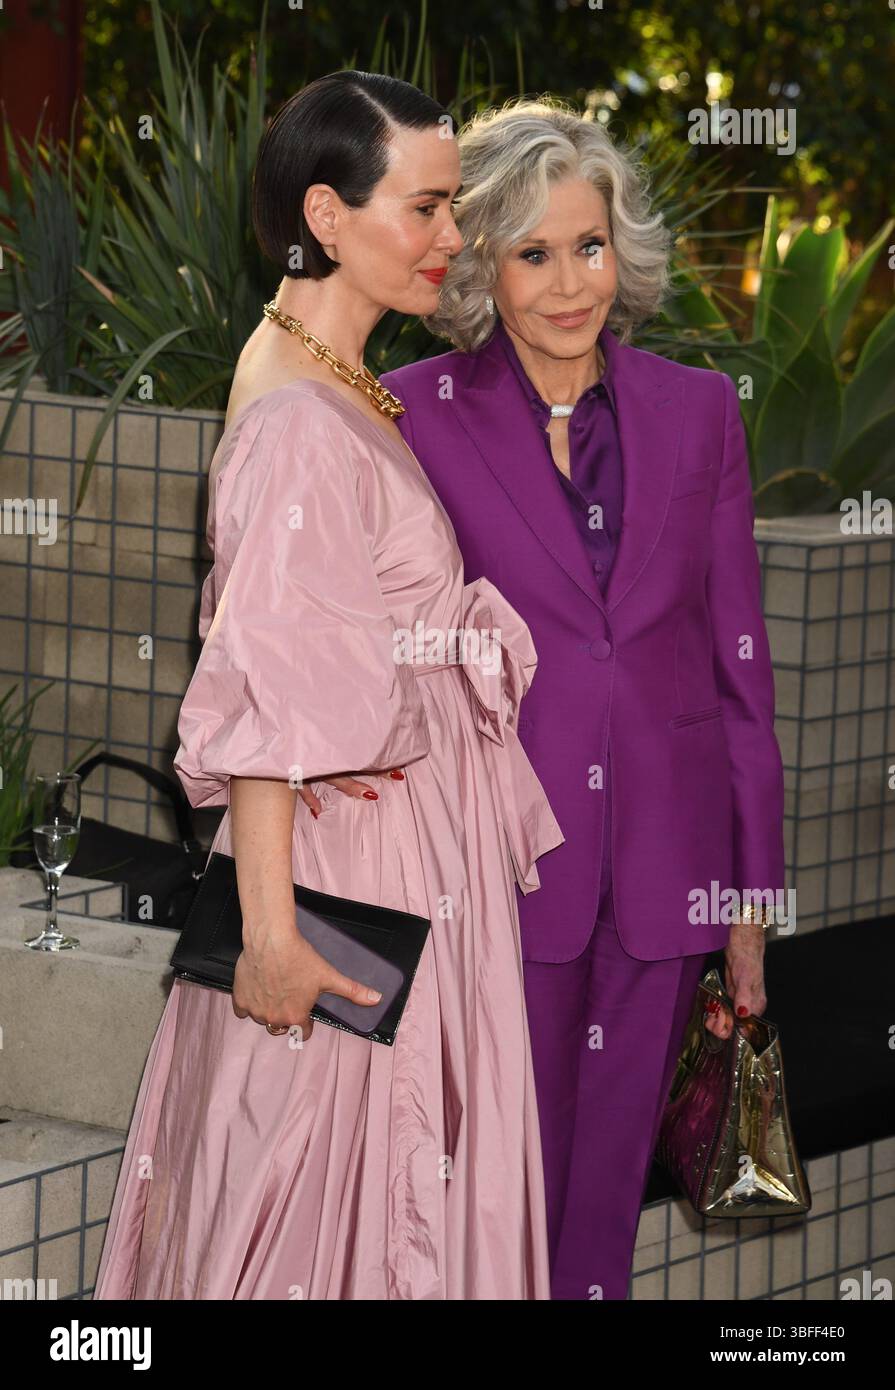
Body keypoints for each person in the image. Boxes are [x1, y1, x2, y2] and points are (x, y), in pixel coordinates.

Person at [92, 72, 564, 1301]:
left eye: (453, 206)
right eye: (426, 208)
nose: (453, 239)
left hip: (398, 853)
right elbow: (266, 702)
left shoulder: (335, 377)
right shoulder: (302, 417)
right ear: (328, 213)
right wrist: (267, 937)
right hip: (354, 879)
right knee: (333, 1210)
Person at [380, 99, 785, 1300]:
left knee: (602, 1216)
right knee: (491, 1203)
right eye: (534, 253)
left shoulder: (699, 412)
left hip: (669, 877)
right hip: (501, 874)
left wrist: (750, 897)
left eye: (590, 247)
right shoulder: (415, 412)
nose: (570, 285)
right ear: (483, 267)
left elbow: (739, 670)